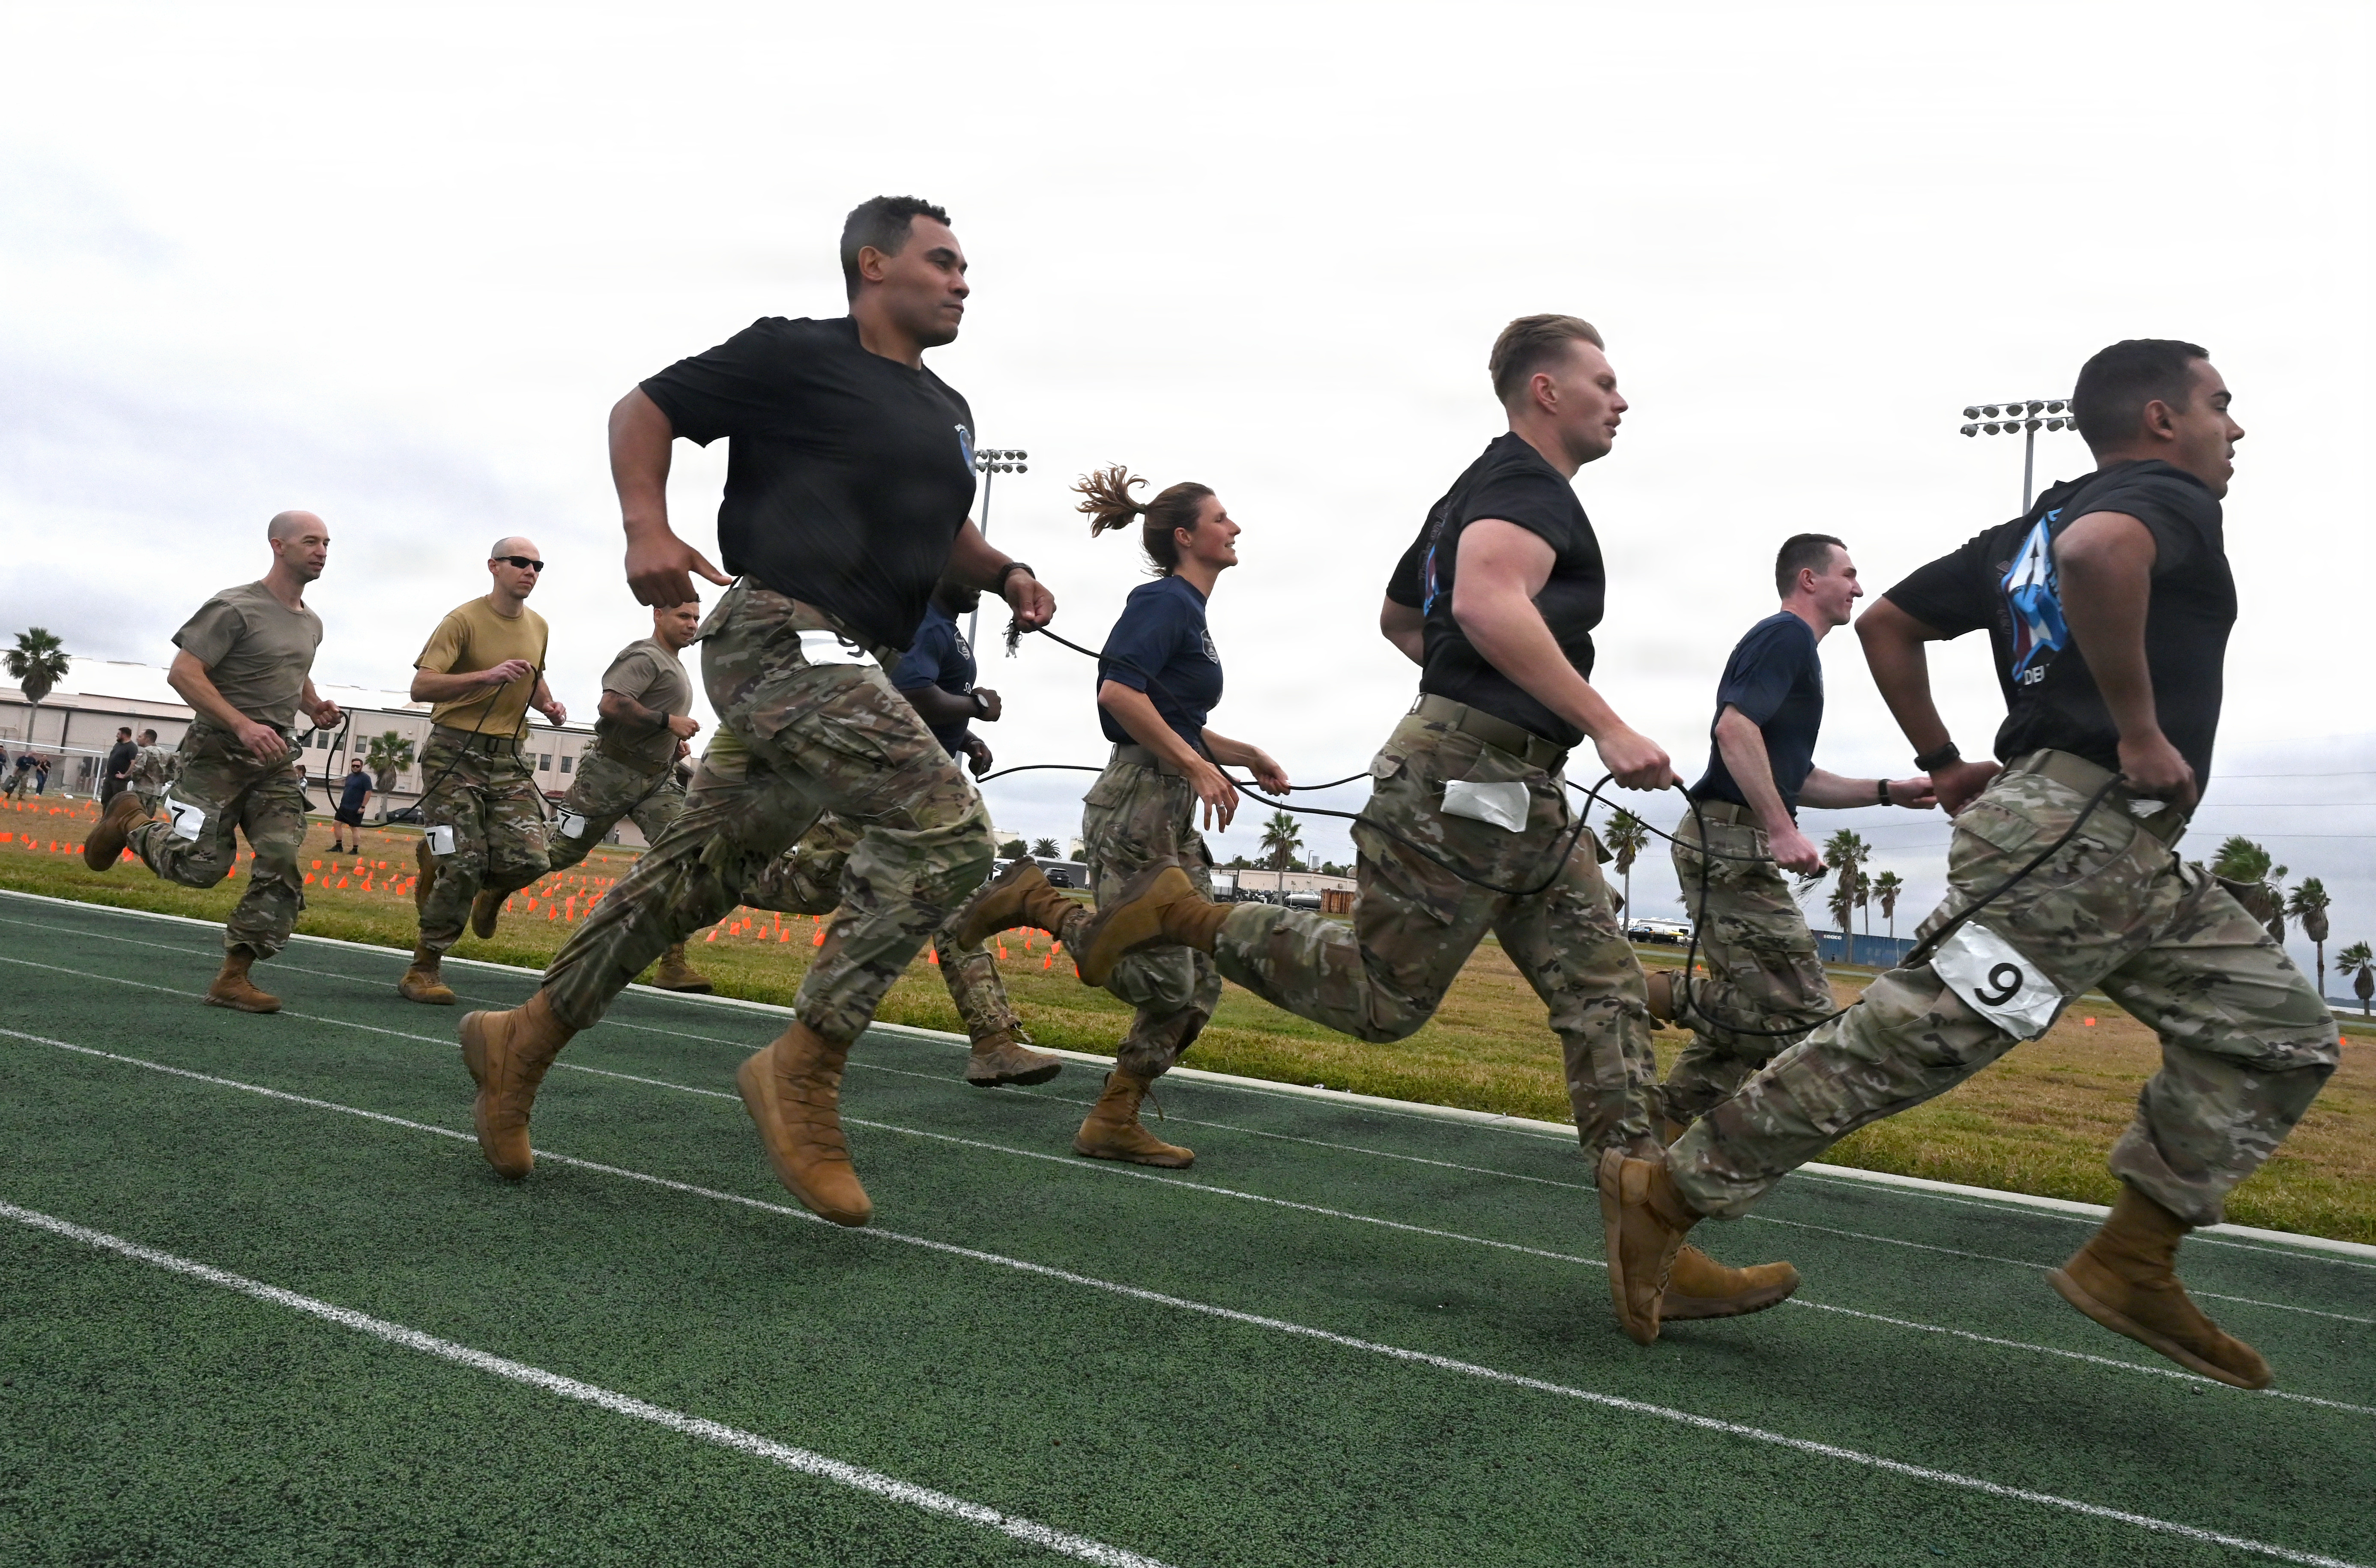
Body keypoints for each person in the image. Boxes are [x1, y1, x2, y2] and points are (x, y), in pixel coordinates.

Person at [972, 316, 1794, 1320]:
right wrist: (1599, 723)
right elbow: (1486, 605)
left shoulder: (1474, 494)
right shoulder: (1523, 490)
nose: (1620, 401)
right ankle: (1182, 914)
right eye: (1605, 382)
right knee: (1383, 1001)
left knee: (1607, 996)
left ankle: (1650, 1241)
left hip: (1515, 786)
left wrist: (1485, 701)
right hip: (1469, 782)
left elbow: (1406, 618)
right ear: (1544, 391)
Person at [1600, 341, 2341, 1388]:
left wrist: (1943, 764)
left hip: (2109, 847)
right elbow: (2095, 557)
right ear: (2162, 420)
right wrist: (2137, 728)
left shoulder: (2023, 530)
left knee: (2278, 1035)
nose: (2236, 427)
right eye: (2221, 404)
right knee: (1902, 1047)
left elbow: (1893, 624)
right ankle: (1664, 1197)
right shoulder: (2157, 496)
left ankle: (2134, 1256)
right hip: (2072, 837)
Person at [455, 194, 1056, 1231]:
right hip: (778, 631)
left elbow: (941, 522)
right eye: (943, 262)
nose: (963, 281)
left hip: (846, 653)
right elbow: (641, 410)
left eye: (966, 269)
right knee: (949, 833)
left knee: (689, 878)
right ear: (874, 265)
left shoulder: (951, 410)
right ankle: (803, 1070)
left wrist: (1004, 571)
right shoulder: (795, 354)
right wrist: (646, 526)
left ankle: (523, 1040)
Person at [956, 467, 1288, 1165]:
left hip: (1169, 806)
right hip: (1137, 804)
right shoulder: (1163, 601)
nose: (1235, 529)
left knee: (1198, 980)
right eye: (1222, 518)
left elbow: (1172, 716)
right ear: (1186, 536)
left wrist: (1238, 751)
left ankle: (1114, 1115)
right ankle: (1039, 903)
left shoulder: (1190, 613)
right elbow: (1118, 694)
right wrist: (1198, 764)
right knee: (1166, 975)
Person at [1651, 535, 1936, 1135]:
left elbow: (1794, 776)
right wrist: (1779, 830)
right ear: (1808, 579)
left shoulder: (1798, 652)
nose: (1858, 588)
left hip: (1727, 837)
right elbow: (1734, 729)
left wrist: (1887, 790)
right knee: (1799, 1016)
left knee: (1757, 1009)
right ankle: (1654, 993)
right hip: (1728, 840)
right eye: (1849, 574)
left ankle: (1657, 1138)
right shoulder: (1784, 636)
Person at [738, 574, 1064, 1089]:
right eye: (970, 578)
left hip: (916, 801)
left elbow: (923, 704)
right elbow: (912, 695)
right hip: (880, 794)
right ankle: (707, 883)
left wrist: (967, 736)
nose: (978, 586)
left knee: (955, 901)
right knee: (805, 888)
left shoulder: (946, 630)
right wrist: (975, 706)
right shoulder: (926, 625)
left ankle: (994, 1042)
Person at [81, 511, 342, 1012]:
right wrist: (242, 723)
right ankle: (130, 820)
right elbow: (183, 673)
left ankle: (234, 977)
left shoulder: (312, 622)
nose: (322, 552)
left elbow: (293, 672)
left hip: (274, 758)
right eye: (311, 542)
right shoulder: (234, 607)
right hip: (216, 752)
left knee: (282, 856)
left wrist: (314, 706)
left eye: (328, 544)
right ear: (278, 546)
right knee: (203, 868)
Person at [477, 599, 716, 993]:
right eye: (683, 616)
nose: (692, 624)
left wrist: (670, 742)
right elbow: (611, 704)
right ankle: (493, 886)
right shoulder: (645, 655)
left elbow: (648, 715)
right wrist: (667, 722)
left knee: (685, 856)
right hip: (608, 777)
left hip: (655, 782)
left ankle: (672, 962)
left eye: (695, 617)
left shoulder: (674, 664)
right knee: (558, 854)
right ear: (658, 615)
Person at [399, 538, 565, 1004]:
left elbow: (533, 677)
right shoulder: (463, 620)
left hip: (509, 756)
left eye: (537, 565)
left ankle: (483, 891)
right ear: (494, 567)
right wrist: (485, 676)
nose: (530, 571)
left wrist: (548, 704)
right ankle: (423, 968)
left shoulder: (539, 626)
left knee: (533, 859)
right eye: (520, 562)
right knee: (465, 861)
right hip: (455, 752)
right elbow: (421, 686)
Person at [126, 729, 176, 815]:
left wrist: (135, 779)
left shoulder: (145, 751)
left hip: (141, 789)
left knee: (135, 814)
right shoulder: (166, 753)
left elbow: (138, 769)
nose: (137, 739)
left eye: (140, 736)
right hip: (156, 791)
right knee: (148, 817)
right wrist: (163, 779)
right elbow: (174, 770)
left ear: (147, 739)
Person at [330, 759, 372, 853]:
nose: (355, 768)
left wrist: (363, 806)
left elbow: (368, 792)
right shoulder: (350, 777)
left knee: (354, 828)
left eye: (358, 766)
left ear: (362, 766)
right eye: (353, 766)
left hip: (356, 808)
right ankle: (339, 846)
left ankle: (355, 849)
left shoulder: (365, 778)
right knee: (336, 823)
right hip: (344, 806)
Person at [100, 727, 137, 806]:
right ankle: (106, 818)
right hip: (110, 777)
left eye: (119, 734)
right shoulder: (118, 745)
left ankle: (116, 818)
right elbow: (112, 757)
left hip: (119, 781)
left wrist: (125, 775)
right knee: (105, 800)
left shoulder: (132, 747)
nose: (117, 736)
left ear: (124, 735)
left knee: (117, 802)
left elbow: (134, 763)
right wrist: (107, 770)